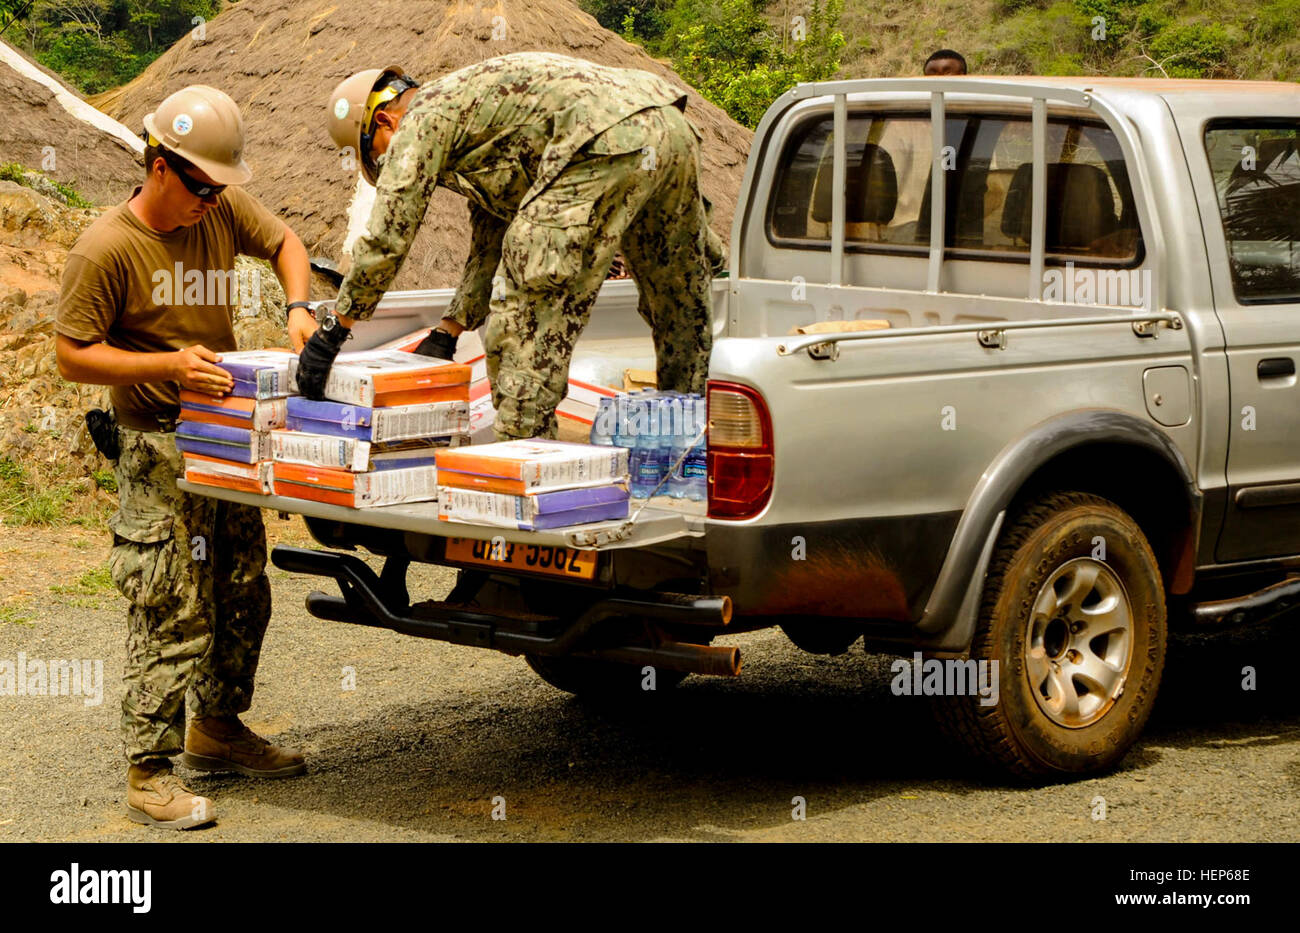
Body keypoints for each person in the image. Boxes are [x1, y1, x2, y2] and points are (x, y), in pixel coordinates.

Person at [54, 85, 313, 831]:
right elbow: (73, 356)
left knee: (240, 587)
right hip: (156, 447)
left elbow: (287, 243)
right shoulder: (104, 249)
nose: (211, 201)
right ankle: (148, 770)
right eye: (199, 185)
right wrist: (165, 366)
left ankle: (218, 729)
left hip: (224, 434)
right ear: (158, 164)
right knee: (171, 602)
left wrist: (297, 307)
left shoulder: (221, 209)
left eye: (220, 187)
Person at [300, 52, 725, 440]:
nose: (382, 165)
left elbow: (388, 237)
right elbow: (491, 239)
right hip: (667, 121)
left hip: (600, 135)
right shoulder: (477, 121)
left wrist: (334, 332)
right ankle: (687, 439)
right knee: (679, 297)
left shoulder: (420, 121)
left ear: (384, 123)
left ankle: (524, 456)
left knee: (527, 302)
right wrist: (449, 330)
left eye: (375, 156)